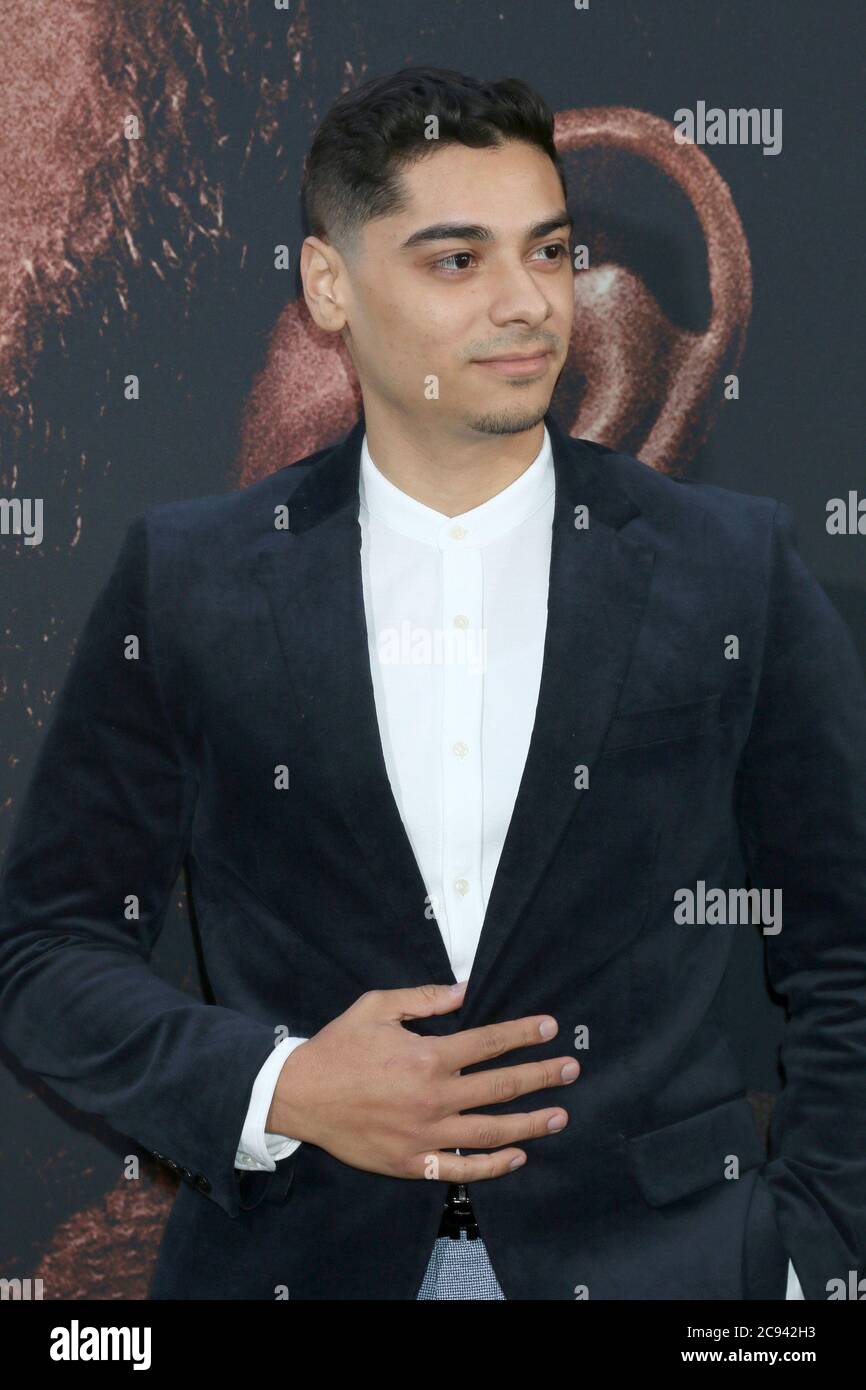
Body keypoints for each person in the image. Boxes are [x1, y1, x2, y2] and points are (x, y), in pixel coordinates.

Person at [1, 66, 864, 1301]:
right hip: (295, 1263)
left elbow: (846, 947)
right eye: (455, 260)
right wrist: (280, 1086)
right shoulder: (188, 578)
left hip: (663, 1271)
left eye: (549, 249)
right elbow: (47, 951)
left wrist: (810, 1258)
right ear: (329, 288)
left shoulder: (732, 568)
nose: (524, 303)